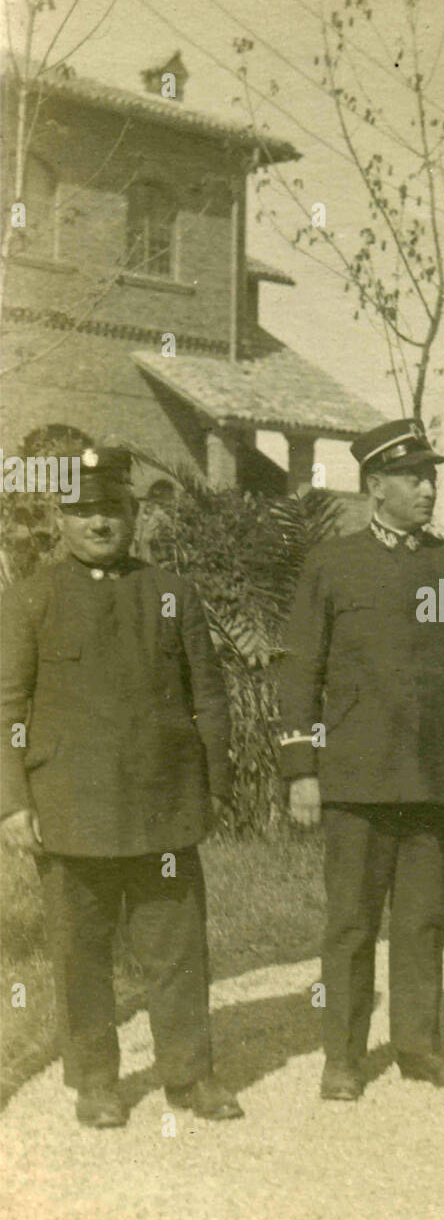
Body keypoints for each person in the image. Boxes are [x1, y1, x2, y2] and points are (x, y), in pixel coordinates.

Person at [0, 447, 242, 1127]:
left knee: (177, 948)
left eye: (112, 509)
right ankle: (96, 1082)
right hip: (70, 812)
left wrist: (215, 785)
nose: (100, 523)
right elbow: (7, 709)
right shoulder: (31, 597)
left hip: (163, 806)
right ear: (62, 520)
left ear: (133, 514)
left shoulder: (170, 592)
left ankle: (190, 1075)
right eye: (84, 511)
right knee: (81, 954)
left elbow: (211, 698)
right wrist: (14, 801)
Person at [279, 420, 444, 1101]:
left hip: (433, 774)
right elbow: (298, 670)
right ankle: (342, 1056)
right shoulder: (332, 564)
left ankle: (417, 1045)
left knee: (423, 918)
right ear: (375, 488)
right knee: (350, 922)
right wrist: (300, 768)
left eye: (431, 477)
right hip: (355, 776)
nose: (428, 488)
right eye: (413, 478)